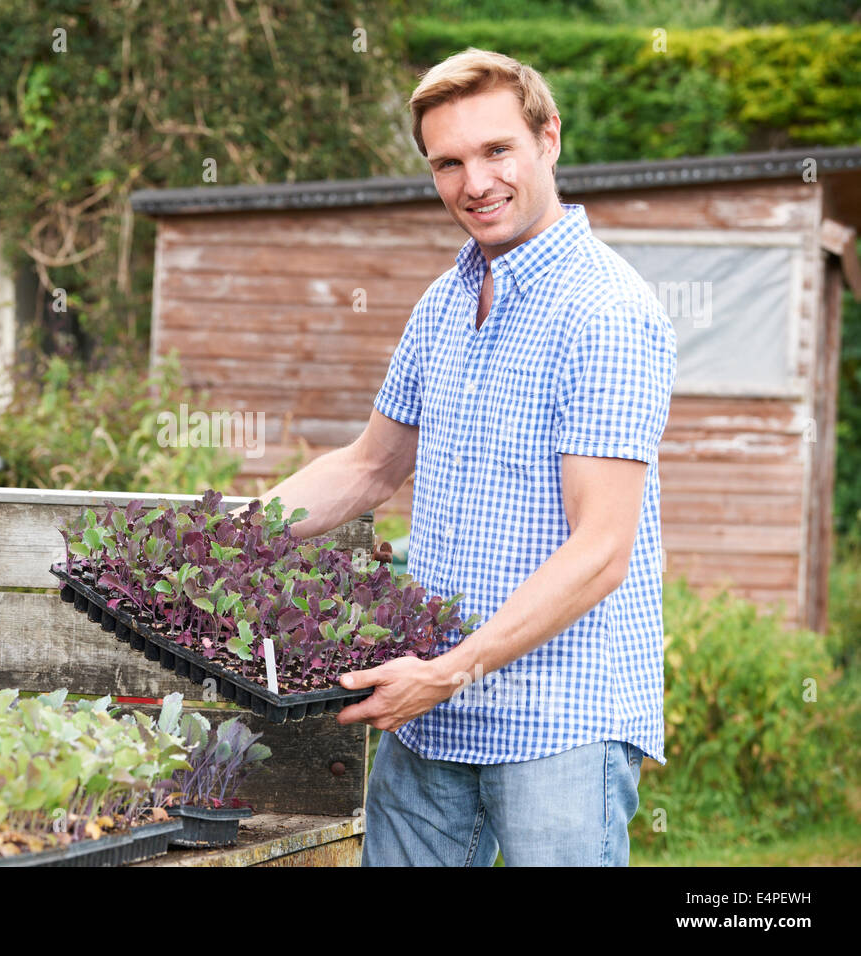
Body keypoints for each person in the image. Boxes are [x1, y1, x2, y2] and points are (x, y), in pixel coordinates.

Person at [248, 48, 677, 866]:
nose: (474, 182)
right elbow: (369, 466)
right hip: (431, 714)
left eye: (496, 151)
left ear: (548, 139)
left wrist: (449, 671)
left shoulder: (608, 313)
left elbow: (602, 551)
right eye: (448, 163)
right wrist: (236, 535)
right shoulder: (445, 301)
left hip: (558, 719)